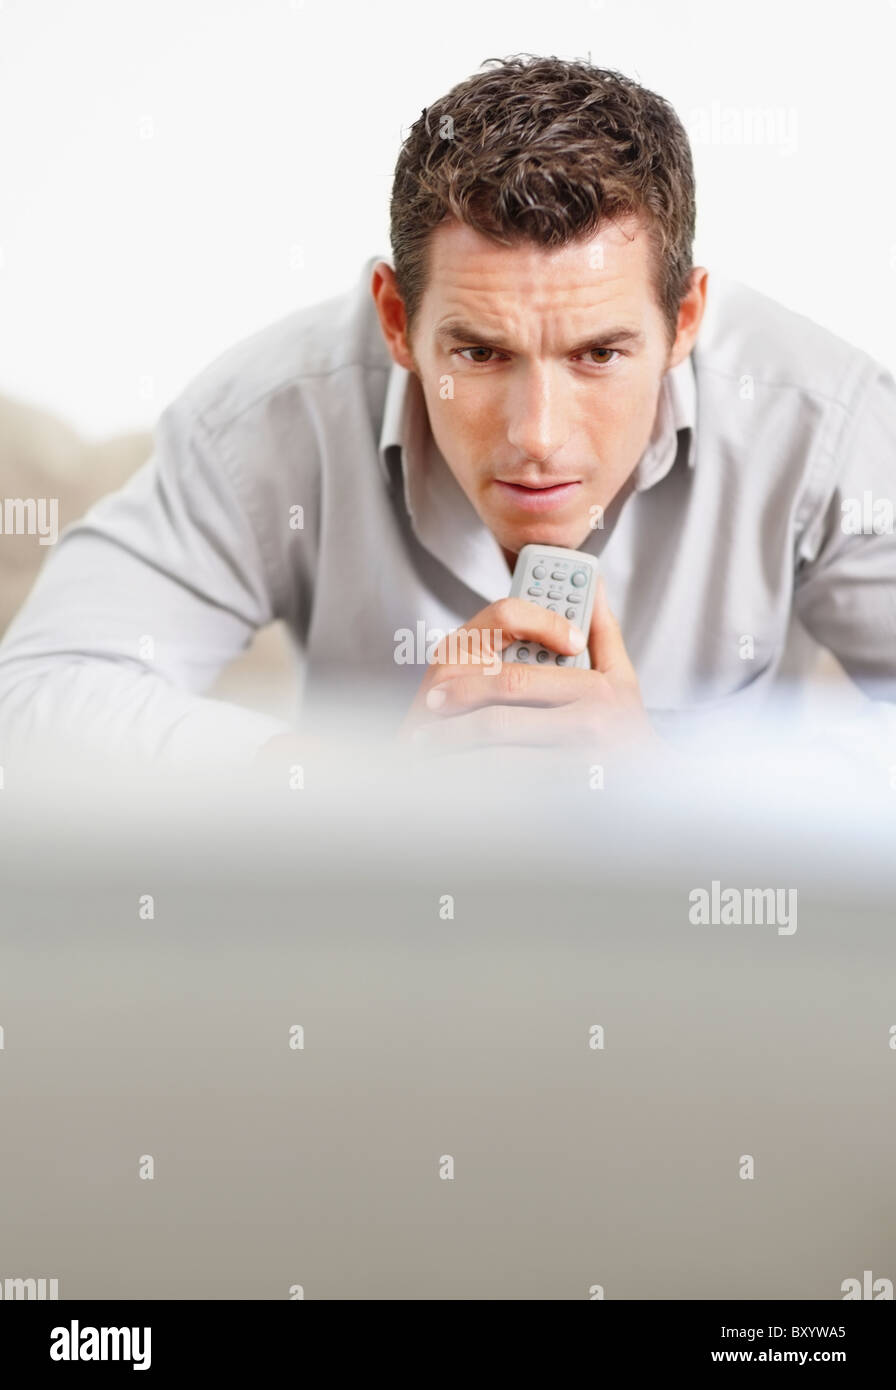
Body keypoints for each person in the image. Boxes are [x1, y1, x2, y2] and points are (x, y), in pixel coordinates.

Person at [1, 54, 894, 772]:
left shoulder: (821, 424)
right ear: (396, 319)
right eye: (481, 353)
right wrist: (359, 788)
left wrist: (665, 781)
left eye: (598, 355)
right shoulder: (274, 417)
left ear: (685, 321)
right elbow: (38, 696)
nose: (537, 437)